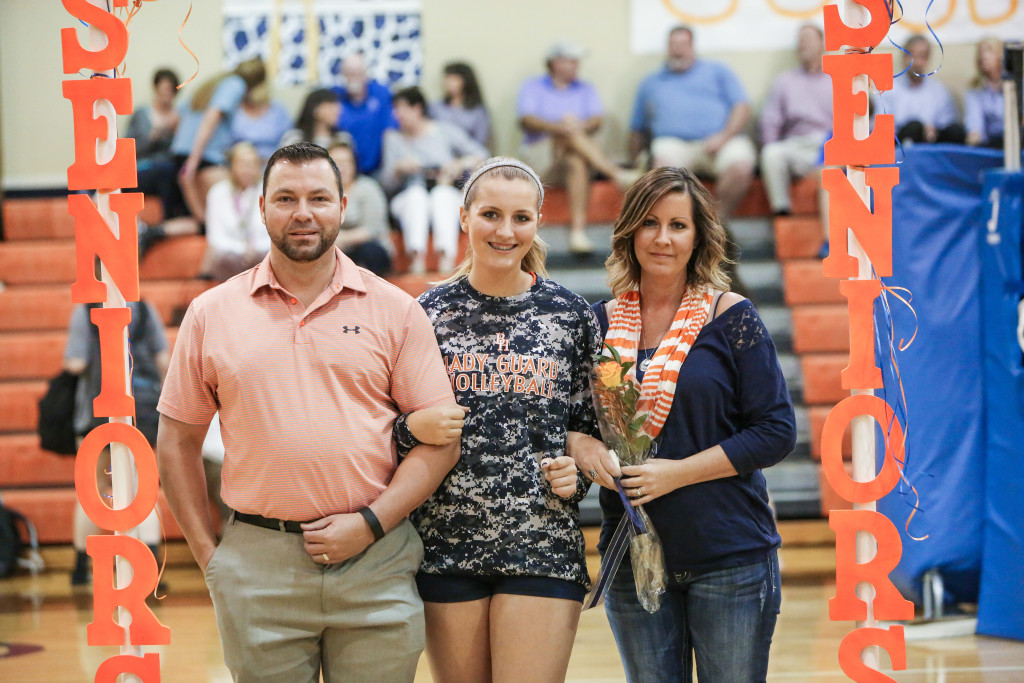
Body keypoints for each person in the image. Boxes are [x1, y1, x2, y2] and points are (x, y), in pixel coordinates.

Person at [156, 142, 460, 682]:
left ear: (343, 206)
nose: (303, 213)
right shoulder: (211, 314)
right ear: (262, 208)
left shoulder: (397, 310)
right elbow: (177, 440)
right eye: (286, 198)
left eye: (319, 198)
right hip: (257, 563)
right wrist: (211, 559)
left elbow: (442, 440)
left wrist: (371, 523)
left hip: (377, 559)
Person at [571, 167, 796, 682]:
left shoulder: (731, 316)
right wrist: (585, 449)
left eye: (678, 225)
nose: (663, 238)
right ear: (630, 231)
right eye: (650, 223)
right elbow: (574, 424)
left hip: (729, 556)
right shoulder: (599, 322)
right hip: (632, 556)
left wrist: (675, 473)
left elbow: (776, 430)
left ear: (698, 237)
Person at [395, 157, 601, 683]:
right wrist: (409, 430)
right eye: (490, 214)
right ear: (464, 218)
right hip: (446, 545)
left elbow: (588, 432)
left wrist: (576, 479)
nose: (505, 231)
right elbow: (392, 428)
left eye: (521, 218)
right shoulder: (426, 313)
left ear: (538, 222)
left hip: (542, 544)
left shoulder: (570, 314)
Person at [63, 295, 169, 586]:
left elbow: (76, 362)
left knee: (94, 491)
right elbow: (163, 359)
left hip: (96, 414)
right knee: (140, 489)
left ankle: (81, 569)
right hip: (143, 413)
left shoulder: (86, 310)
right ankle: (150, 566)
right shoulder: (145, 309)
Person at [629, 26, 757, 224]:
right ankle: (680, 224)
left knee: (740, 163)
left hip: (722, 140)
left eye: (683, 44)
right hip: (673, 144)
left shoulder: (718, 71)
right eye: (673, 44)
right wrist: (633, 162)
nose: (678, 50)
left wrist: (724, 137)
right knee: (663, 168)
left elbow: (742, 108)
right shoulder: (651, 82)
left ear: (692, 46)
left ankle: (716, 225)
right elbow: (637, 127)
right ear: (667, 48)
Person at [517, 41, 635, 255]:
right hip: (542, 157)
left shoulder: (585, 89)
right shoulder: (533, 86)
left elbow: (597, 120)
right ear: (555, 63)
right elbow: (526, 120)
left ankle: (578, 233)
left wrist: (578, 126)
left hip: (572, 156)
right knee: (567, 135)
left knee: (576, 162)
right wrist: (558, 127)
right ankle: (617, 174)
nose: (576, 65)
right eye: (571, 61)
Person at [380, 86, 487, 274]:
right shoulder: (393, 139)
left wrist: (459, 164)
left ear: (418, 108)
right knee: (416, 196)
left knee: (442, 195)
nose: (398, 114)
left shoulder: (444, 131)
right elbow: (385, 184)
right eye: (395, 109)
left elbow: (482, 155)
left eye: (402, 108)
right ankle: (416, 259)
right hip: (408, 196)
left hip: (444, 189)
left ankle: (446, 259)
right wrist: (398, 169)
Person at [168, 56, 267, 224]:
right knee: (232, 205)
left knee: (205, 220)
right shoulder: (236, 84)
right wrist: (193, 161)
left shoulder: (212, 83)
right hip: (204, 157)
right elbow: (211, 117)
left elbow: (176, 119)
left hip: (180, 152)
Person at [759, 24, 832, 216]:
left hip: (831, 145)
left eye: (808, 39)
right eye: (800, 41)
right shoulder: (784, 81)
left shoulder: (838, 78)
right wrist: (770, 145)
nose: (803, 45)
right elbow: (770, 120)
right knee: (771, 153)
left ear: (823, 44)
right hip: (797, 146)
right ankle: (782, 211)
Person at [875, 34, 964, 145]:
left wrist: (932, 130)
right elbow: (881, 128)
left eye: (922, 56)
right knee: (914, 128)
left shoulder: (939, 90)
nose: (917, 62)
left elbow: (948, 122)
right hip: (899, 144)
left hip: (932, 143)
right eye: (912, 56)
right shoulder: (887, 89)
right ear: (904, 57)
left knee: (955, 132)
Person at [201, 142, 271, 281]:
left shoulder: (269, 191)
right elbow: (215, 237)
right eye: (242, 164)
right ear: (231, 166)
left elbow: (275, 233)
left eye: (252, 164)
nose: (247, 169)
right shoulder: (218, 193)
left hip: (262, 253)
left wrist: (255, 249)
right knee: (224, 258)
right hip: (230, 257)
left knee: (272, 257)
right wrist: (242, 249)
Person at [327, 137, 393, 276]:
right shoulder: (321, 192)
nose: (342, 167)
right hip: (335, 248)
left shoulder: (368, 187)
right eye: (337, 163)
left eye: (347, 162)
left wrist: (339, 239)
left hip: (368, 247)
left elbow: (372, 230)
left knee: (369, 251)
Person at [332, 52, 396, 175]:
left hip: (378, 167)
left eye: (358, 73)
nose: (353, 78)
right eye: (349, 74)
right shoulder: (335, 96)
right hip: (344, 170)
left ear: (366, 74)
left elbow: (391, 131)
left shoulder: (381, 94)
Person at [429, 61, 491, 150]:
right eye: (446, 78)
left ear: (465, 81)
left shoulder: (477, 111)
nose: (448, 83)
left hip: (470, 157)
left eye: (453, 79)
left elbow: (480, 141)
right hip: (439, 156)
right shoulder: (435, 108)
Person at [230, 83, 293, 161]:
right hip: (239, 163)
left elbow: (289, 141)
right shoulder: (234, 109)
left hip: (272, 162)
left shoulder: (278, 110)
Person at [965, 36, 1005, 149]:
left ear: (1002, 56)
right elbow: (974, 123)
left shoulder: (1016, 85)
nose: (983, 57)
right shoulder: (975, 87)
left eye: (989, 51)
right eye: (980, 52)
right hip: (990, 142)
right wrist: (974, 136)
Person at [279, 88, 344, 150]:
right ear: (314, 109)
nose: (337, 111)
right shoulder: (294, 139)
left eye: (337, 106)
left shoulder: (342, 138)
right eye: (330, 107)